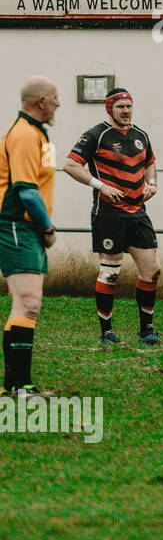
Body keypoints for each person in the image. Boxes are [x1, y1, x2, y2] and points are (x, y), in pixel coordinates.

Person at [64, 87, 163, 346]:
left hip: (138, 214)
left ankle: (147, 331)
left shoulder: (141, 134)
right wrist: (101, 186)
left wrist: (151, 184)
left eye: (129, 106)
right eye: (120, 107)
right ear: (110, 109)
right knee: (110, 274)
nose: (126, 111)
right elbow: (70, 165)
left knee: (152, 271)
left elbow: (150, 161)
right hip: (108, 215)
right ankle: (107, 333)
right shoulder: (97, 134)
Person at [0, 77, 60, 396]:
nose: (58, 103)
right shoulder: (24, 134)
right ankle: (20, 387)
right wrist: (47, 227)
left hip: (27, 227)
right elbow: (26, 191)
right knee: (28, 302)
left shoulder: (40, 134)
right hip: (16, 224)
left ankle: (15, 385)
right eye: (54, 98)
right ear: (40, 101)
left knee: (24, 305)